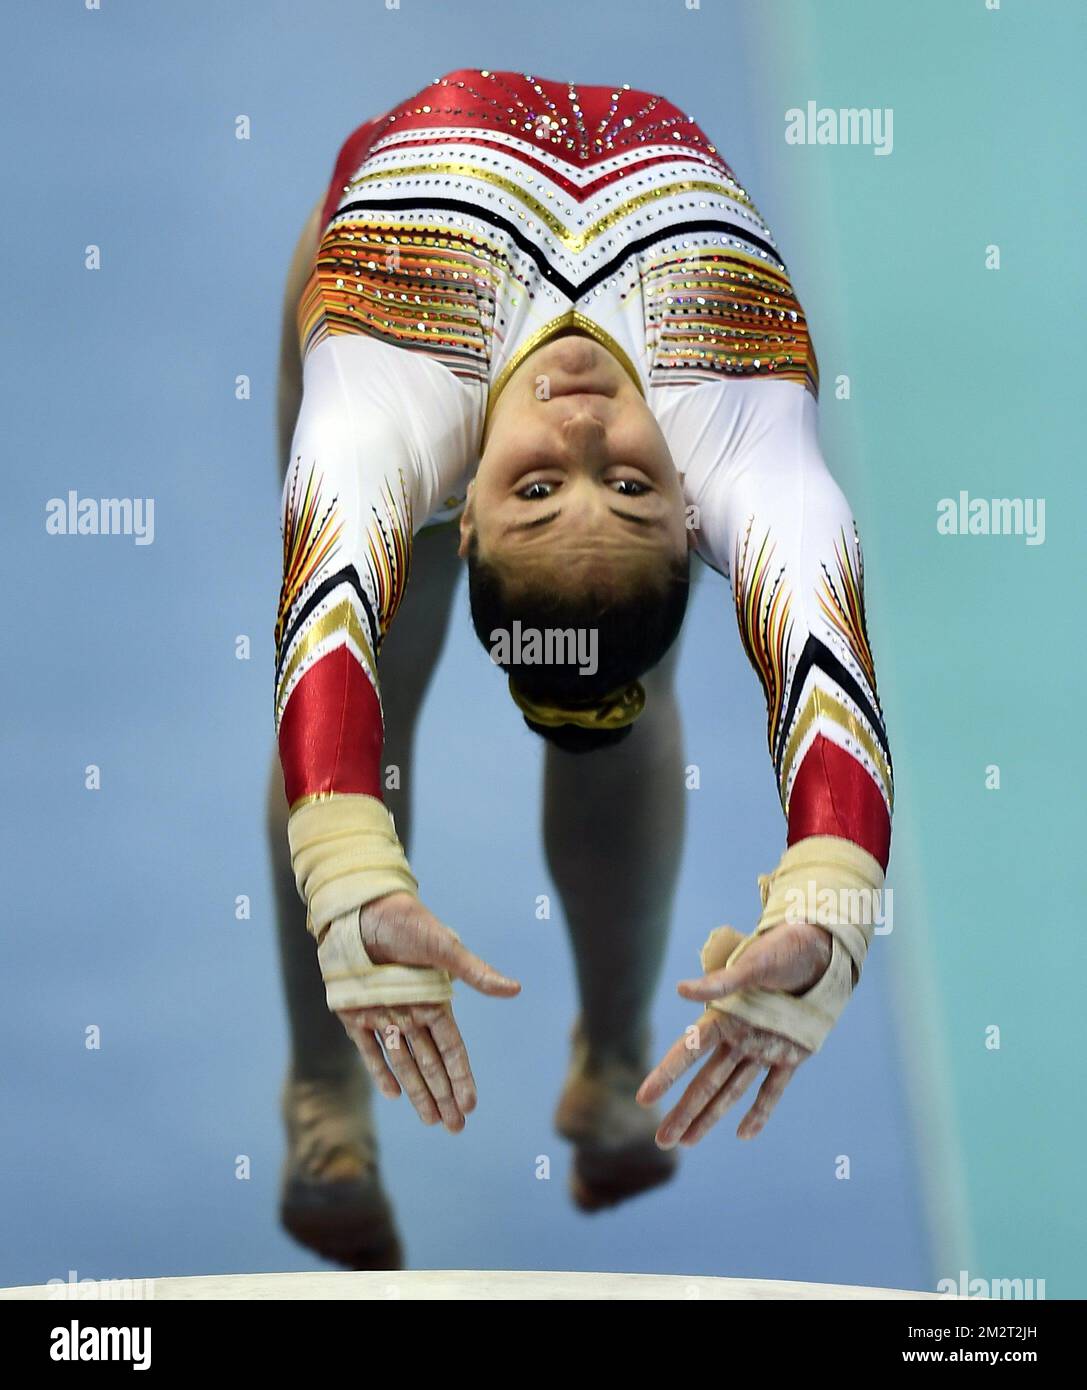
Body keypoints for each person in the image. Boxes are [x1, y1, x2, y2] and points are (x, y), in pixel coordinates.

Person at [269, 69, 894, 1268]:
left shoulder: (384, 404)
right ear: (699, 520)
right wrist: (828, 906)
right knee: (375, 678)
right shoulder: (736, 427)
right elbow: (833, 688)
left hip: (406, 252)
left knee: (553, 681)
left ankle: (615, 1058)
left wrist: (347, 865)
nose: (582, 430)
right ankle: (323, 1092)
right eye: (627, 483)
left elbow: (314, 622)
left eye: (542, 487)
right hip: (418, 249)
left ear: (456, 506)